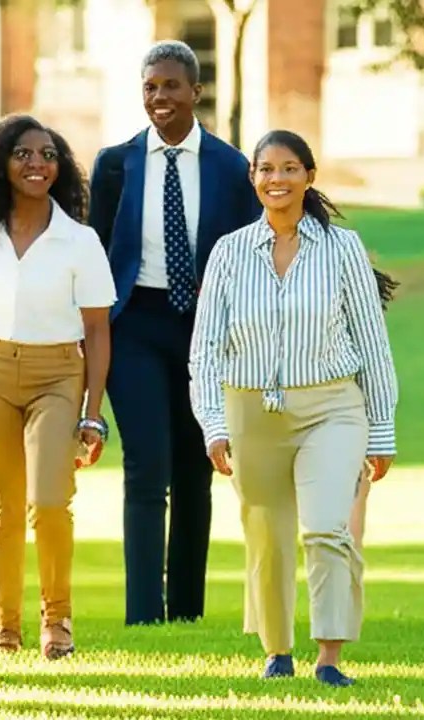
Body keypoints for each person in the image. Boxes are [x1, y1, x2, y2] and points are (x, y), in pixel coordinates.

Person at [189, 129, 397, 686]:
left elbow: (372, 344)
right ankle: (277, 652)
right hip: (250, 411)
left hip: (333, 406)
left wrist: (381, 429)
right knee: (267, 536)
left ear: (309, 176)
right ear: (253, 178)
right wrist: (213, 424)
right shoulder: (229, 253)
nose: (276, 179)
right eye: (266, 169)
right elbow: (205, 351)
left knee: (327, 527)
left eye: (289, 168)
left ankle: (329, 658)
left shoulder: (343, 249)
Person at [87, 40, 260, 626]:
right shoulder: (115, 164)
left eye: (170, 86)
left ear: (196, 92)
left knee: (194, 467)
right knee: (146, 465)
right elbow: (96, 252)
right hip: (135, 325)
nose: (159, 97)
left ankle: (186, 611)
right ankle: (143, 613)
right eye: (150, 87)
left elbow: (250, 252)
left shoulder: (231, 168)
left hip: (204, 330)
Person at [0, 115, 114, 658]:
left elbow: (96, 329)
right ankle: (6, 629)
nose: (36, 164)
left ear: (59, 168)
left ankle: (57, 619)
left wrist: (92, 411)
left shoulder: (79, 240)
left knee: (49, 500)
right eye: (22, 154)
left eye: (47, 155)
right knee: (4, 505)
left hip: (58, 374)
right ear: (1, 163)